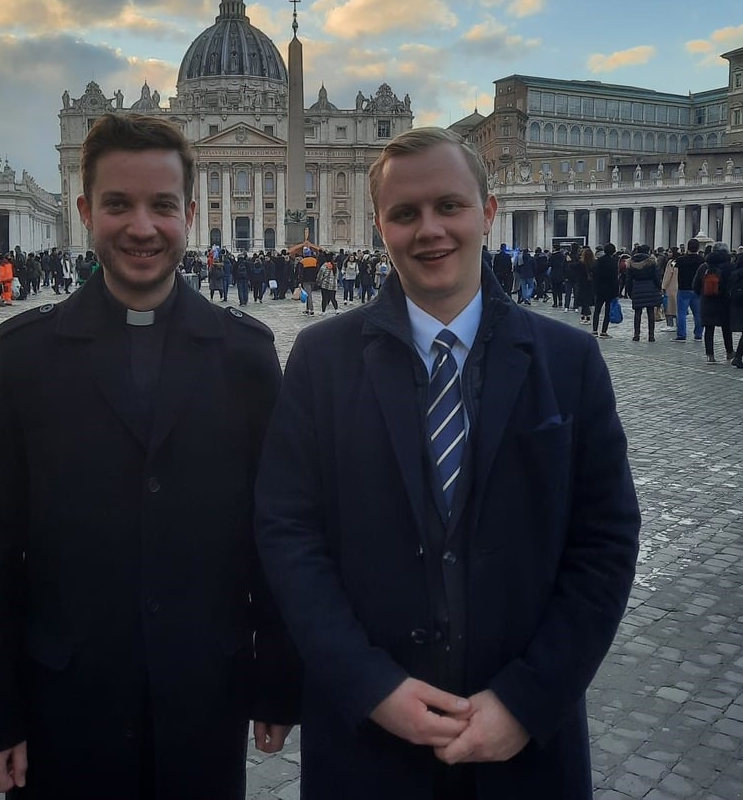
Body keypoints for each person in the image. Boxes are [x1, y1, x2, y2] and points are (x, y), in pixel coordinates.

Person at [255, 128, 640, 799]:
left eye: (449, 207)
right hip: (366, 742)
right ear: (380, 227)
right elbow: (290, 534)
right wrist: (368, 684)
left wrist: (528, 698)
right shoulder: (321, 359)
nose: (429, 230)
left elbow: (605, 541)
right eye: (405, 214)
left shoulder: (569, 360)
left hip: (522, 747)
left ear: (487, 212)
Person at [0, 112, 300, 797]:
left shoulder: (247, 355)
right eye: (118, 205)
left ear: (189, 213)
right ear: (85, 209)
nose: (142, 227)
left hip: (202, 694)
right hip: (63, 699)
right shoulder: (24, 355)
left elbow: (273, 532)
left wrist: (278, 679)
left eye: (162, 205)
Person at [693, 241, 733, 364]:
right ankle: (729, 352)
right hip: (724, 302)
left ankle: (710, 355)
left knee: (709, 329)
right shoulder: (730, 267)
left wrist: (703, 294)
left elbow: (695, 285)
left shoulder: (704, 267)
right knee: (726, 328)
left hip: (707, 301)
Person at [625, 244, 661, 342]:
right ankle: (651, 335)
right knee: (650, 313)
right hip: (650, 287)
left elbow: (628, 279)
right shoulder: (652, 262)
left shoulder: (631, 262)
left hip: (637, 287)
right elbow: (657, 277)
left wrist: (629, 291)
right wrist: (659, 287)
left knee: (637, 313)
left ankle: (636, 335)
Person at [673, 238, 704, 342]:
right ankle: (698, 334)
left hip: (683, 288)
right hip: (697, 289)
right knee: (698, 313)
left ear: (687, 247)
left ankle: (681, 335)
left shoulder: (681, 259)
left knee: (681, 313)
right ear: (698, 248)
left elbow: (673, 267)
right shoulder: (701, 260)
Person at [591, 242, 619, 338]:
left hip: (599, 289)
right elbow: (615, 278)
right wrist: (616, 291)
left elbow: (594, 275)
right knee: (607, 311)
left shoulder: (598, 261)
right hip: (610, 290)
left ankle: (594, 330)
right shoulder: (614, 262)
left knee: (597, 310)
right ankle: (604, 331)